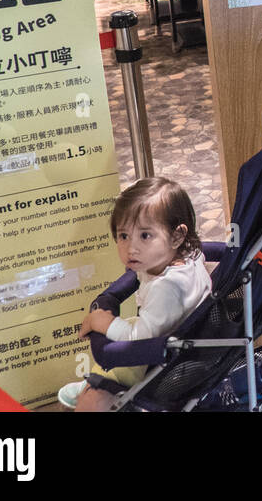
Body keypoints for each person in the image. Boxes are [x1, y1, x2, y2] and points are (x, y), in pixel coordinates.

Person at [58, 176, 211, 411]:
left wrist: (104, 323)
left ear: (177, 236)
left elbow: (140, 338)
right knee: (127, 323)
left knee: (115, 344)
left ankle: (98, 384)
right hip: (181, 339)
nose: (131, 248)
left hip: (159, 360)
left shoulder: (166, 288)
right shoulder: (190, 257)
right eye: (123, 236)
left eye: (145, 235)